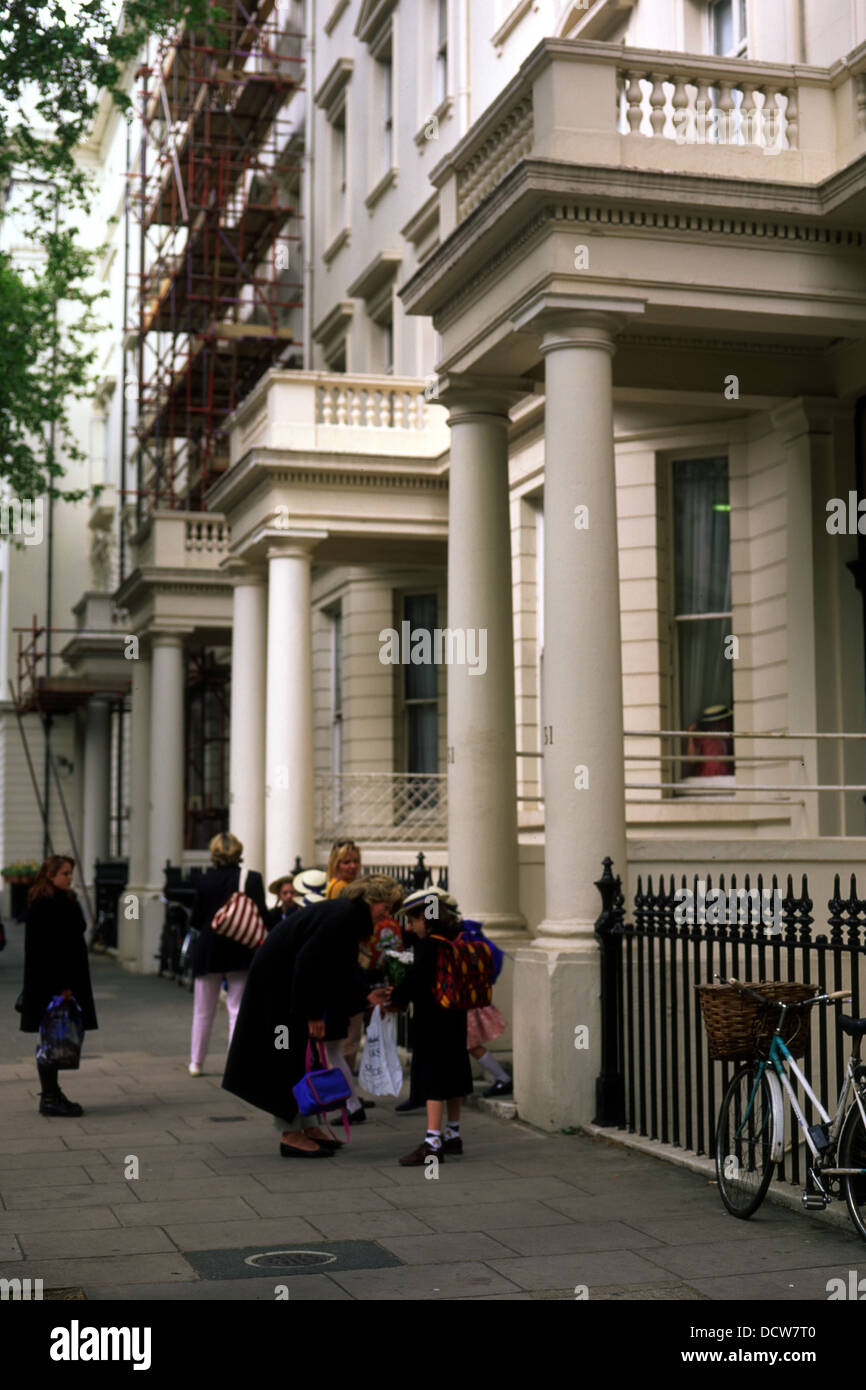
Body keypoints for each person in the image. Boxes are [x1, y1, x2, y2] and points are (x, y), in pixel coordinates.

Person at [222, 874, 402, 1156]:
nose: (387, 915)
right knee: (287, 1056)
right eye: (386, 907)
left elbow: (338, 968)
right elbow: (309, 963)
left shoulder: (347, 917)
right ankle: (290, 1133)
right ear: (371, 900)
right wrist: (312, 1014)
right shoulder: (343, 917)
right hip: (277, 989)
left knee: (300, 1057)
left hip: (284, 986)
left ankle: (307, 1124)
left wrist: (365, 995)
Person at [374, 886, 473, 1166]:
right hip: (456, 1016)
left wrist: (395, 995)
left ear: (425, 918)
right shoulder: (456, 937)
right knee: (454, 1076)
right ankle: (453, 1135)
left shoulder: (429, 945)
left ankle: (432, 1143)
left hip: (434, 1021)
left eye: (413, 919)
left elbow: (417, 982)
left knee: (433, 1080)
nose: (410, 925)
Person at [19, 856, 98, 1117]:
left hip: (57, 981)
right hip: (52, 984)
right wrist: (62, 986)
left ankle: (52, 1093)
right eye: (64, 873)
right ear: (50, 875)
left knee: (53, 1038)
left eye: (70, 873)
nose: (69, 877)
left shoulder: (62, 899)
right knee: (52, 1040)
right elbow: (49, 950)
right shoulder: (46, 904)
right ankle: (50, 1097)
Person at [188, 832, 266, 1077]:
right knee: (237, 1009)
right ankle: (236, 1064)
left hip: (209, 949)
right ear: (239, 852)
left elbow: (197, 919)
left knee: (203, 1010)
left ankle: (196, 1063)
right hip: (241, 948)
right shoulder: (251, 879)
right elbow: (261, 915)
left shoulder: (204, 880)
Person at [325, 841, 365, 1069]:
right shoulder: (340, 888)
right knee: (348, 1038)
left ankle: (345, 1095)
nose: (352, 866)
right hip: (344, 966)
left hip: (344, 964)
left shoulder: (342, 886)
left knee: (346, 1038)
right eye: (346, 862)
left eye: (355, 861)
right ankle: (344, 1096)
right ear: (335, 864)